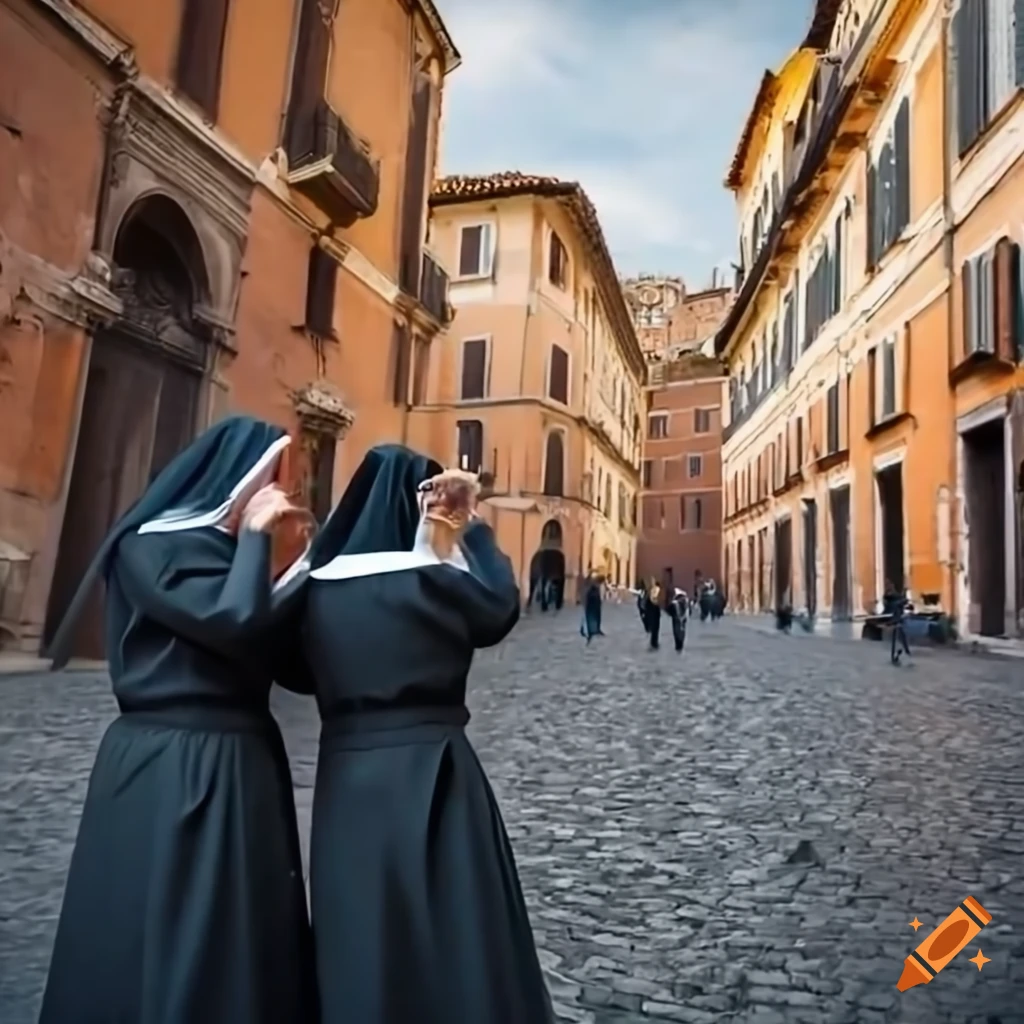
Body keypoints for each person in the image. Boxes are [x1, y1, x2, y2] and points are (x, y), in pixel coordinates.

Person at [40, 417, 318, 1024]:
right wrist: (263, 548)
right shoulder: (150, 547)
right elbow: (232, 621)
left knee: (237, 922)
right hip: (169, 759)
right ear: (237, 479)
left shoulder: (245, 555)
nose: (282, 490)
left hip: (243, 757)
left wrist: (308, 569)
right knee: (156, 916)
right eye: (274, 477)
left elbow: (293, 661)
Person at [296, 445, 554, 1023]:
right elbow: (497, 609)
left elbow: (291, 667)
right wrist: (471, 528)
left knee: (360, 926)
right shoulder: (437, 581)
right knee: (455, 924)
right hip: (436, 767)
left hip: (348, 776)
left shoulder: (317, 588)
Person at [580, 571, 604, 643]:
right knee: (591, 617)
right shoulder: (590, 587)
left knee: (595, 616)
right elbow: (585, 595)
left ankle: (595, 629)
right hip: (591, 603)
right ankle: (591, 631)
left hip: (594, 603)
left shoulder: (595, 588)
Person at [669, 587, 688, 652]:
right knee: (680, 635)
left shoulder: (675, 603)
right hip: (680, 620)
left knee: (678, 635)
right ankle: (680, 647)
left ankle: (679, 647)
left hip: (677, 621)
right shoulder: (682, 602)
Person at [645, 577, 663, 649]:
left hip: (655, 609)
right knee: (654, 627)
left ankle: (654, 642)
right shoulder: (652, 590)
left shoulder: (655, 589)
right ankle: (654, 642)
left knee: (655, 627)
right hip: (653, 609)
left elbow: (655, 599)